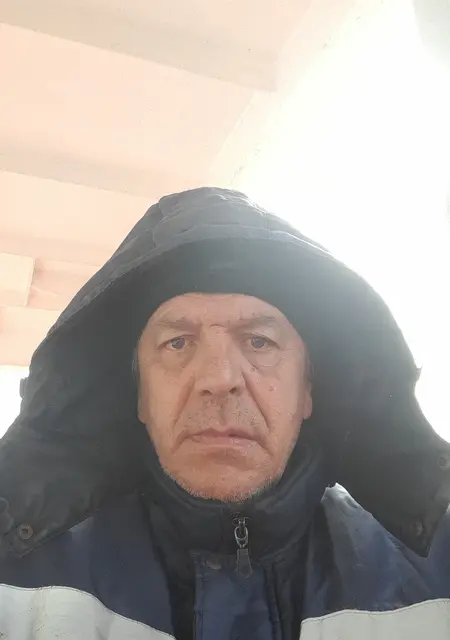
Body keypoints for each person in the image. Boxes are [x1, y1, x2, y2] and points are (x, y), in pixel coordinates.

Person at [0, 187, 449, 640]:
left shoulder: (438, 569)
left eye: (259, 342)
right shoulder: (16, 576)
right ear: (139, 397)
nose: (219, 378)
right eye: (178, 343)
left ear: (307, 392)